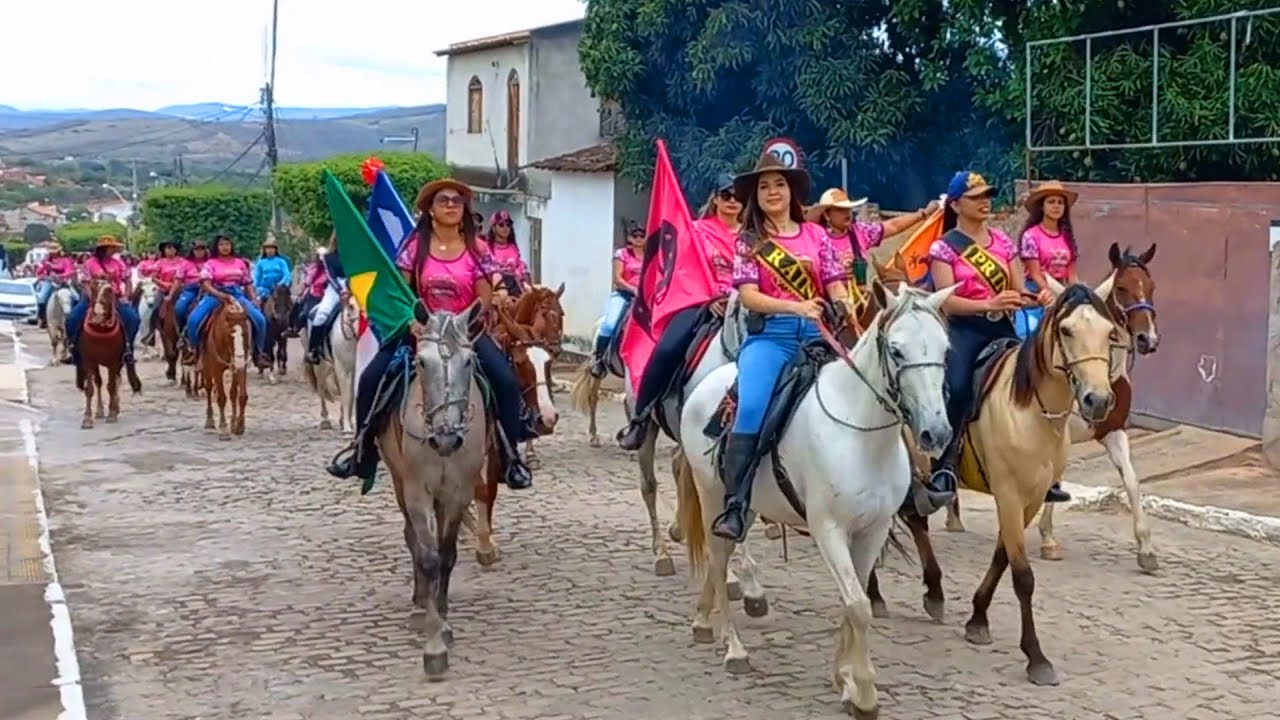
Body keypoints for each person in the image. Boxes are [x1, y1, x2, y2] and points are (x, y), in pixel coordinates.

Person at [327, 177, 536, 490]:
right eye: (444, 200)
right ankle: (362, 450)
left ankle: (510, 458)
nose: (452, 205)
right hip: (422, 331)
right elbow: (402, 292)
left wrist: (495, 298)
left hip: (466, 333)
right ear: (430, 210)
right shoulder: (414, 247)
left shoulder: (478, 249)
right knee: (372, 377)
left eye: (457, 200)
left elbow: (487, 291)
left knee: (505, 381)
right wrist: (413, 321)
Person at [708, 155, 852, 541]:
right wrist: (794, 306)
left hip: (818, 333)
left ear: (793, 192)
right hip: (771, 337)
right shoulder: (749, 242)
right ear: (757, 195)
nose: (773, 192)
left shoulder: (817, 236)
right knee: (752, 407)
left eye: (780, 185)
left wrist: (843, 299)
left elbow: (835, 279)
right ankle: (736, 503)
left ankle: (901, 486)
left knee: (873, 386)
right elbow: (750, 297)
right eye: (765, 186)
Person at [915, 171, 1068, 515]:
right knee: (955, 387)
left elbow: (1017, 288)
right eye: (977, 197)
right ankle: (944, 466)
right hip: (963, 332)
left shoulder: (1002, 241)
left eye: (988, 196)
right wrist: (988, 304)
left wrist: (1035, 297)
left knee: (1040, 380)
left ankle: (1048, 471)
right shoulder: (943, 247)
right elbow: (944, 301)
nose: (986, 202)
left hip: (1003, 329)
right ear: (956, 205)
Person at [615, 172, 742, 450]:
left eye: (738, 196)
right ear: (716, 199)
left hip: (745, 305)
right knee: (668, 348)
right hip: (701, 304)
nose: (733, 201)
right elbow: (682, 271)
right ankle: (642, 415)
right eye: (726, 195)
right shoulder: (697, 232)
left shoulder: (751, 236)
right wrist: (709, 298)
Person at [806, 187, 939, 294]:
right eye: (840, 210)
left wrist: (923, 214)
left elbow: (893, 225)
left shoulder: (860, 232)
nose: (847, 213)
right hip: (831, 302)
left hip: (862, 298)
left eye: (848, 209)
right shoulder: (816, 239)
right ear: (827, 215)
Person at [182, 234, 269, 369]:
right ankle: (194, 351)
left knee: (260, 319)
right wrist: (219, 295)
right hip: (215, 295)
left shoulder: (239, 263)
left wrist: (253, 299)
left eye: (227, 244)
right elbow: (205, 284)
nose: (225, 247)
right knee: (193, 319)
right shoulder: (210, 263)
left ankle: (259, 353)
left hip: (236, 295)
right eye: (222, 245)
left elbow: (248, 283)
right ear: (216, 247)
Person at [1017, 180, 1080, 337]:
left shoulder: (1068, 237)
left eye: (1060, 202)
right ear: (1041, 206)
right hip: (1037, 294)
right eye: (1051, 202)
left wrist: (1078, 294)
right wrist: (1049, 295)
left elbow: (1072, 275)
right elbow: (1035, 273)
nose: (1056, 206)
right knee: (1029, 334)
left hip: (1062, 292)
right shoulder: (1031, 236)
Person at [66, 235, 140, 369]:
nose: (113, 250)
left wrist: (127, 296)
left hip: (114, 297)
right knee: (72, 318)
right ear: (103, 249)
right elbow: (86, 283)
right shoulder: (90, 263)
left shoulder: (118, 263)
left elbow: (127, 280)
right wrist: (93, 298)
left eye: (114, 248)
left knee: (133, 319)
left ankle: (128, 348)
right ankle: (73, 348)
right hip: (93, 298)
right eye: (111, 248)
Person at [588, 223, 645, 378]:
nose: (639, 239)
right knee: (609, 324)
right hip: (624, 296)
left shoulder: (650, 256)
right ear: (629, 238)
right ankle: (598, 359)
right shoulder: (621, 254)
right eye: (635, 236)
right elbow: (617, 279)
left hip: (645, 298)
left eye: (642, 235)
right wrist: (633, 289)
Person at [304, 239, 348, 365]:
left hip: (355, 289)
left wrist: (350, 288)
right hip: (335, 290)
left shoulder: (356, 255)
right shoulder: (329, 258)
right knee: (322, 314)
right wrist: (342, 289)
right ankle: (314, 349)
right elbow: (330, 275)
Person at [484, 210, 532, 296]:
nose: (505, 228)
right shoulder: (486, 248)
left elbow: (519, 267)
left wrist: (525, 283)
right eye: (501, 225)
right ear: (494, 228)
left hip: (515, 288)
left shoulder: (513, 248)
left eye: (508, 225)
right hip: (494, 290)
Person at [35, 242, 77, 328]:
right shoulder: (46, 261)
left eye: (54, 251)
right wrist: (44, 275)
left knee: (76, 297)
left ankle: (75, 317)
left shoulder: (65, 260)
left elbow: (69, 271)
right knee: (41, 299)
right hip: (50, 281)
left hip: (63, 282)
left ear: (58, 251)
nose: (52, 253)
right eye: (51, 251)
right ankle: (43, 318)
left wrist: (61, 276)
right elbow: (39, 272)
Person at [173, 239, 210, 334]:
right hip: (191, 290)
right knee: (180, 308)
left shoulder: (210, 262)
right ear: (192, 251)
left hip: (209, 290)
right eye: (196, 249)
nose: (199, 252)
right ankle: (181, 332)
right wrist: (171, 294)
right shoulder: (185, 263)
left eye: (202, 249)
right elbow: (178, 279)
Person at [290, 249, 329, 337]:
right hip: (315, 295)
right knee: (304, 313)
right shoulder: (314, 268)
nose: (322, 260)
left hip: (327, 295)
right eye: (320, 258)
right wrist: (300, 292)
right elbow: (307, 282)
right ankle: (295, 328)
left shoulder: (330, 269)